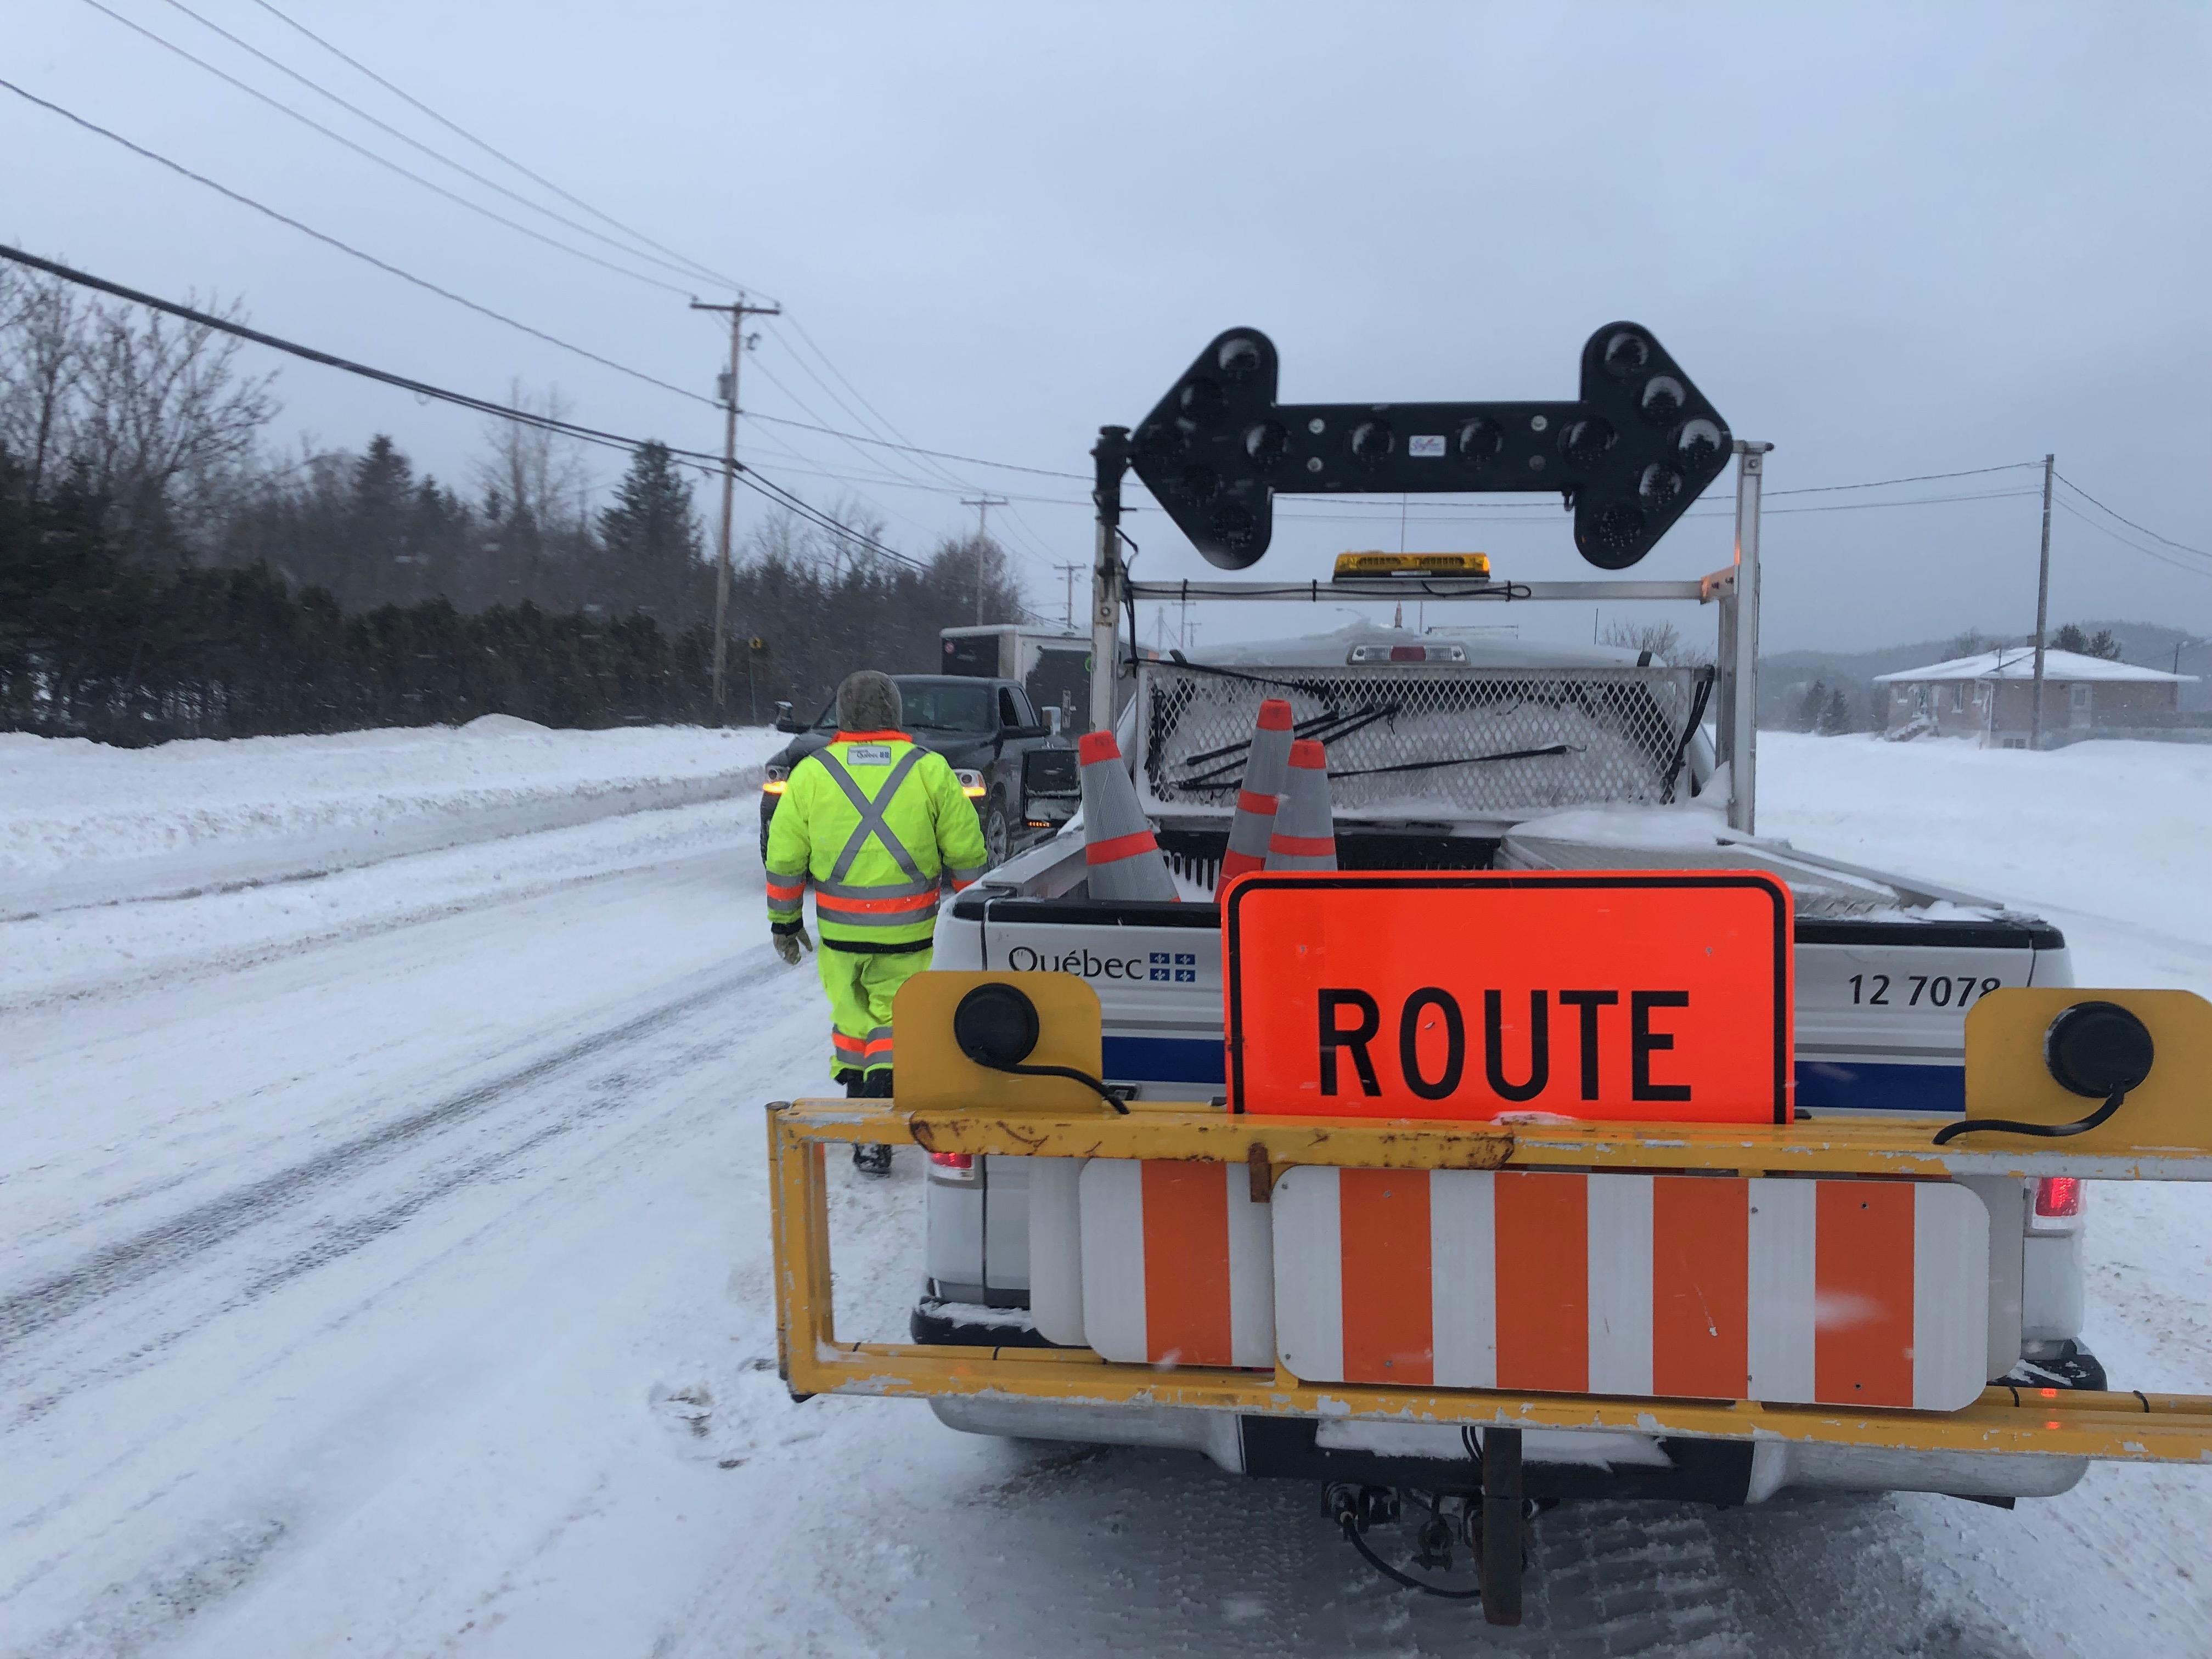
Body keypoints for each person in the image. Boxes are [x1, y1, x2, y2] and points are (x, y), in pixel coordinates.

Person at [765, 670, 988, 1175]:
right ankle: (880, 1126)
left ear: (843, 714)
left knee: (853, 1023)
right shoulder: (929, 770)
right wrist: (972, 907)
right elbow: (966, 850)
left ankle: (863, 1117)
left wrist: (784, 922)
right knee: (895, 1022)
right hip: (910, 933)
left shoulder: (811, 774)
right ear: (896, 712)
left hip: (841, 936)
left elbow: (784, 858)